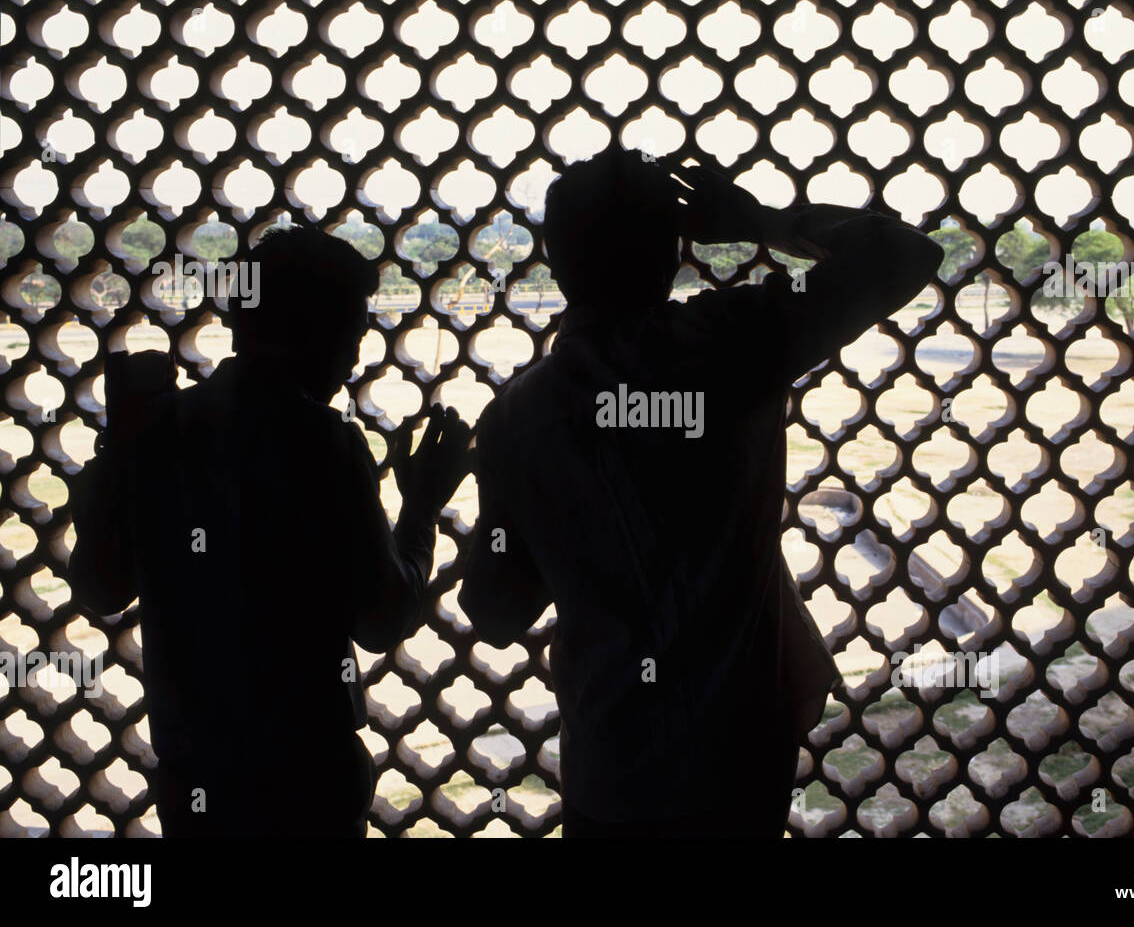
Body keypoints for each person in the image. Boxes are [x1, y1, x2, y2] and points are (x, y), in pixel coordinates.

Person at [460, 146, 945, 837]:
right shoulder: (731, 342)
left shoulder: (519, 419)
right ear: (673, 256)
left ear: (558, 260)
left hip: (614, 765)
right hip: (738, 752)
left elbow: (497, 610)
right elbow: (903, 253)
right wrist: (762, 220)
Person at [66, 225, 473, 837]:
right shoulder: (324, 443)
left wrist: (113, 461)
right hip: (306, 786)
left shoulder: (159, 435)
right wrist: (420, 509)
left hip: (197, 785)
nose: (356, 357)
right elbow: (382, 618)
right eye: (352, 336)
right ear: (320, 334)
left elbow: (100, 587)